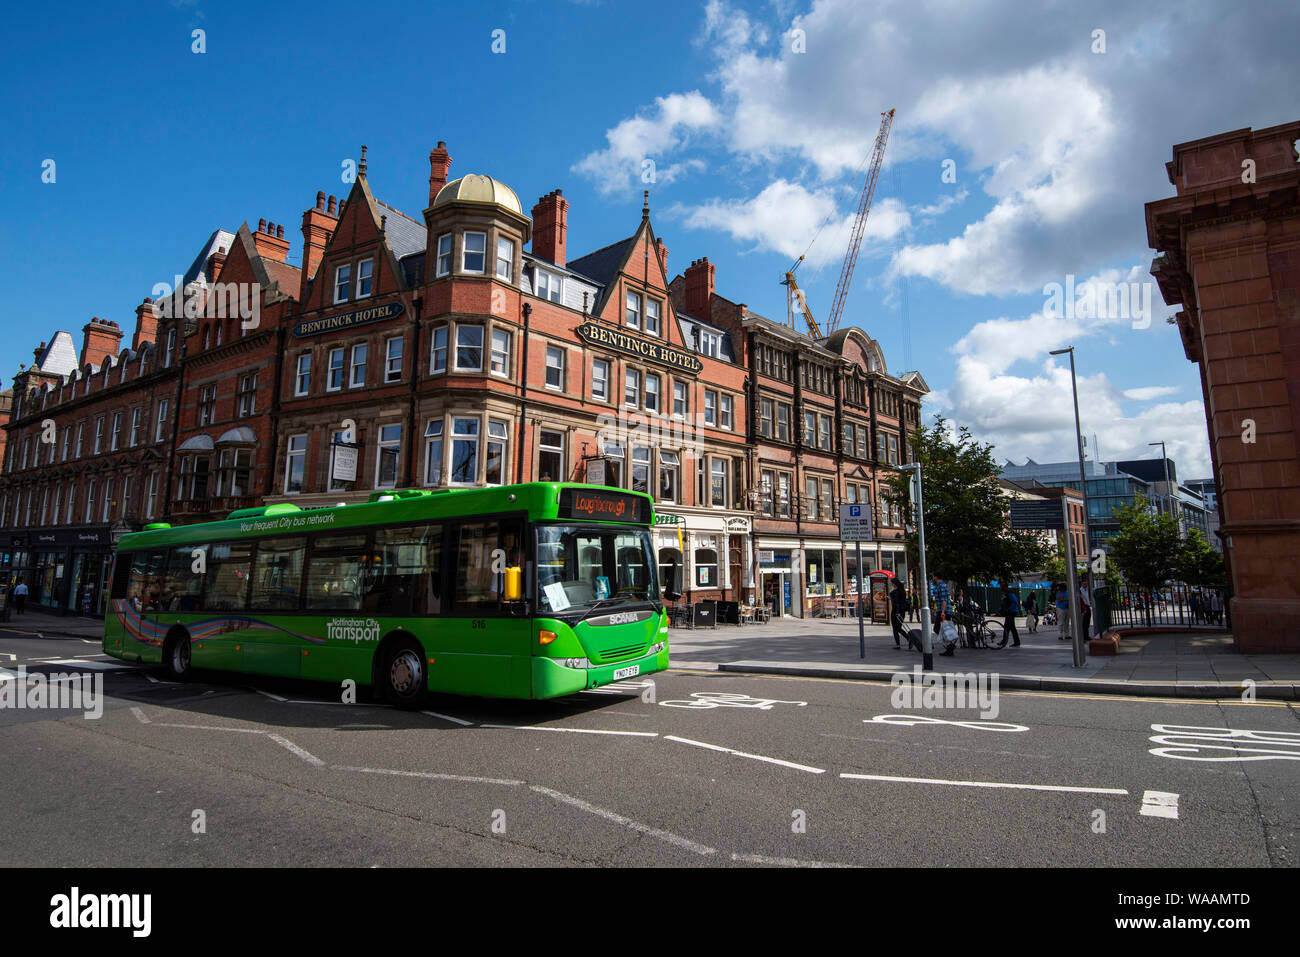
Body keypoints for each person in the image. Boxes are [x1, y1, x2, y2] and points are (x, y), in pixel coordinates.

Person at [929, 572, 954, 656]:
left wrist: (943, 612)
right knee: (941, 629)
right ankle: (949, 647)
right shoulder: (939, 585)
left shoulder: (942, 586)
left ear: (936, 577)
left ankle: (950, 646)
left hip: (945, 611)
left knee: (938, 629)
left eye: (933, 577)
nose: (932, 579)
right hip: (942, 610)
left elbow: (944, 600)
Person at [890, 579, 918, 650]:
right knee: (898, 627)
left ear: (894, 584)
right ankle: (908, 639)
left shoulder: (895, 592)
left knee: (895, 628)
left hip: (896, 611)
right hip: (902, 611)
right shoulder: (902, 591)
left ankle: (901, 642)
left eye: (892, 583)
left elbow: (896, 603)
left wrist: (897, 611)